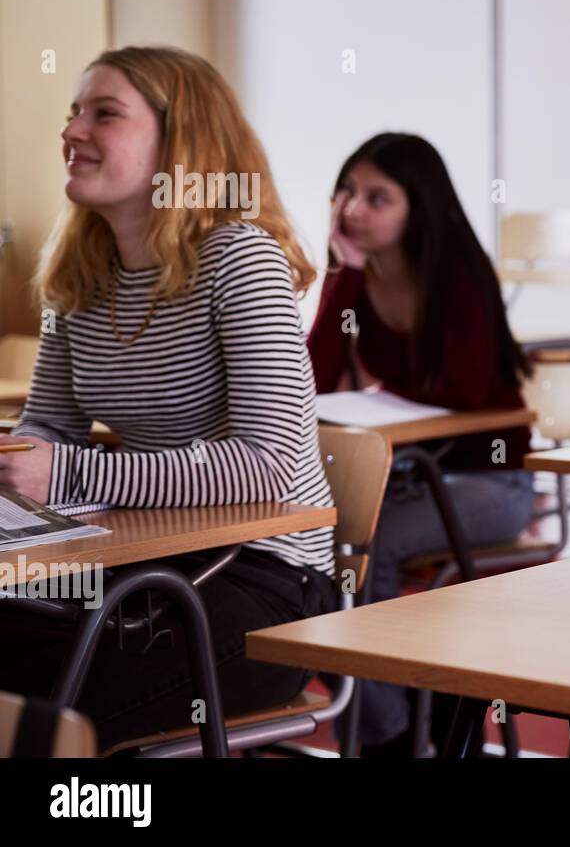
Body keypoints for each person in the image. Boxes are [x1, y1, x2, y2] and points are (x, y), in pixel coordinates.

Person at [0, 46, 335, 750]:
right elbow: (48, 428)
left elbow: (267, 465)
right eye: (73, 113)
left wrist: (62, 472)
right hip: (148, 566)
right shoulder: (78, 274)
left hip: (267, 585)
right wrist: (14, 460)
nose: (72, 131)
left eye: (105, 114)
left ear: (180, 143)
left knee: (47, 719)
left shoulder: (240, 258)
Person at [307, 132, 534, 755]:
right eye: (347, 192)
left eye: (378, 197)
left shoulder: (460, 274)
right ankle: (400, 721)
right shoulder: (359, 278)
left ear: (419, 208)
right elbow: (311, 381)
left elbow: (459, 388)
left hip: (494, 483)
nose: (355, 208)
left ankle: (389, 737)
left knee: (362, 541)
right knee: (308, 539)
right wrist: (343, 274)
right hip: (412, 478)